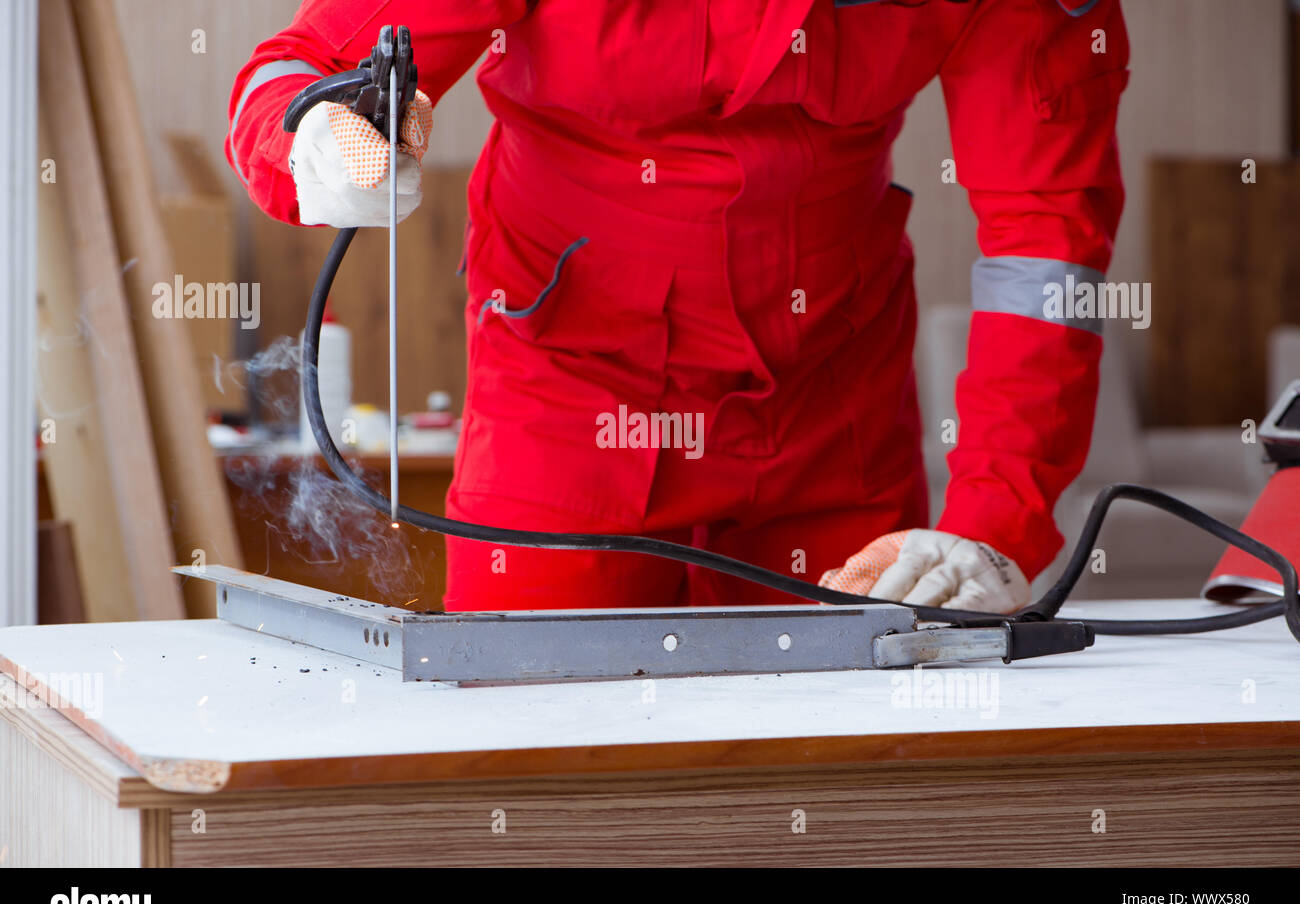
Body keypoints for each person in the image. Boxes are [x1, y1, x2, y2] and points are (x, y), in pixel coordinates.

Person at [227, 0, 1128, 614]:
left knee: (851, 782)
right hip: (567, 412)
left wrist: (995, 525)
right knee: (544, 783)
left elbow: (1046, 242)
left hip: (835, 424)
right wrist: (310, 138)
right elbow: (301, 67)